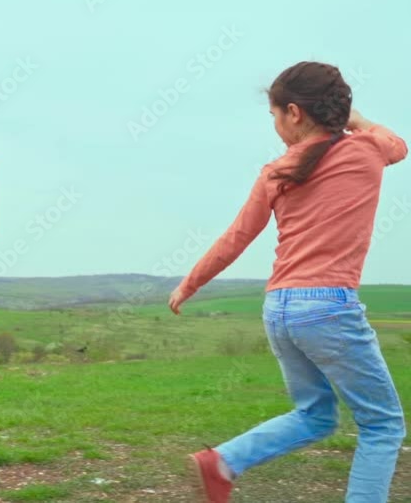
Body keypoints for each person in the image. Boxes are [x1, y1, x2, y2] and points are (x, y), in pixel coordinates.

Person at [167, 61, 408, 502]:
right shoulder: (366, 150)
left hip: (279, 308)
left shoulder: (277, 171)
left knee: (316, 415)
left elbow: (236, 238)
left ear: (294, 113)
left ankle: (222, 462)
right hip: (328, 307)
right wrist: (357, 121)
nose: (276, 125)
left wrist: (189, 285)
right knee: (383, 424)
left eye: (274, 115)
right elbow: (399, 146)